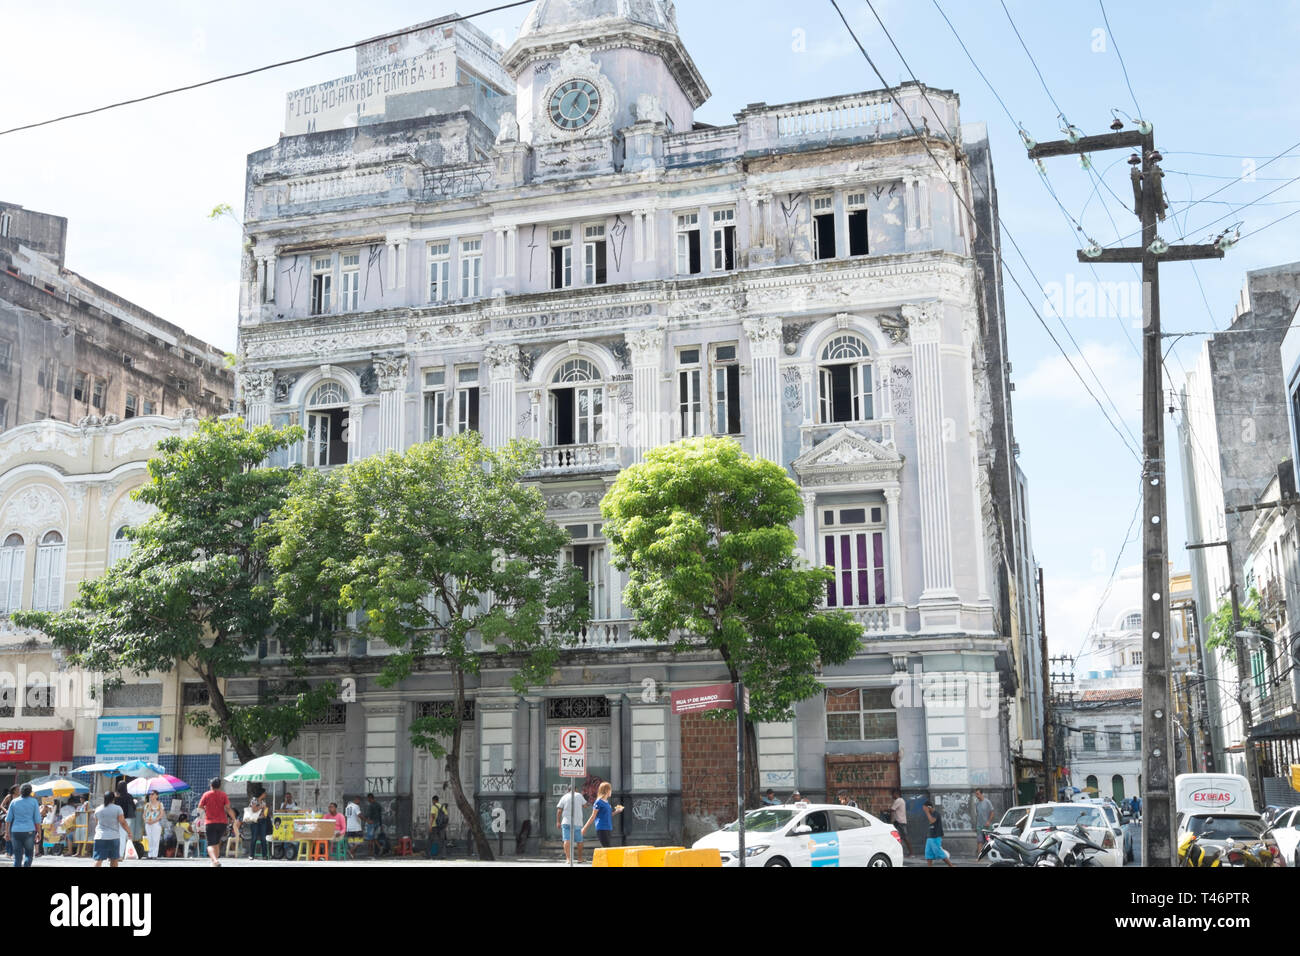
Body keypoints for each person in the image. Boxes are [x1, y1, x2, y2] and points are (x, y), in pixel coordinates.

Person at [196, 777, 238, 867]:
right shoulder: (223, 795)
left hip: (210, 823)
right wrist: (234, 819)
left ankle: (215, 861)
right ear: (220, 786)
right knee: (216, 842)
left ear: (211, 785)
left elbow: (200, 807)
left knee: (210, 844)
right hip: (222, 823)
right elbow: (228, 808)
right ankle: (215, 862)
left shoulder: (206, 794)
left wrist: (206, 809)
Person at [4, 783, 41, 867]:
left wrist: (7, 833)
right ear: (30, 792)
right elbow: (37, 819)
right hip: (29, 831)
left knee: (17, 857)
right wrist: (39, 832)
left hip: (16, 831)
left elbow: (8, 819)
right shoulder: (34, 801)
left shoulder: (14, 801)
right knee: (29, 854)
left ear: (20, 791)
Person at [581, 781, 624, 849]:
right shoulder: (598, 802)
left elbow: (608, 815)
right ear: (606, 790)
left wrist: (617, 811)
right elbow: (593, 816)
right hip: (601, 828)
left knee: (607, 848)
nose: (611, 791)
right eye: (610, 789)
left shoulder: (606, 802)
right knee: (607, 848)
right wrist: (584, 828)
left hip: (608, 827)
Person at [90, 791, 126, 869]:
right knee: (114, 860)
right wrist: (129, 832)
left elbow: (97, 822)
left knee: (99, 860)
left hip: (100, 837)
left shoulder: (98, 809)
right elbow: (122, 822)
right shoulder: (117, 808)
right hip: (113, 837)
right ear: (113, 799)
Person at [556, 788, 587, 863]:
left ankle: (568, 859)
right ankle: (579, 858)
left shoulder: (564, 797)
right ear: (576, 789)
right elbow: (585, 806)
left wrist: (558, 821)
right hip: (577, 822)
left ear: (568, 790)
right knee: (579, 840)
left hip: (566, 821)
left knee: (566, 840)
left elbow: (559, 810)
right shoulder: (579, 795)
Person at [923, 799, 953, 868]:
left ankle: (951, 866)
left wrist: (927, 812)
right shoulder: (930, 814)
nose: (924, 810)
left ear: (928, 807)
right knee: (928, 853)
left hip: (936, 836)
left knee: (938, 852)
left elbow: (932, 821)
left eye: (925, 808)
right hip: (930, 837)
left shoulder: (936, 813)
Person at [246, 789, 270, 860]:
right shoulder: (254, 800)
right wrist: (261, 807)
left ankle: (264, 855)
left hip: (263, 821)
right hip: (255, 821)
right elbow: (253, 810)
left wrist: (265, 811)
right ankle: (251, 855)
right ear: (261, 794)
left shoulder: (263, 801)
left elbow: (264, 812)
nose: (265, 794)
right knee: (254, 838)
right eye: (264, 793)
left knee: (263, 838)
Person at [890, 789, 913, 856]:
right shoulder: (901, 800)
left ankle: (911, 853)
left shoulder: (898, 800)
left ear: (896, 793)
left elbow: (892, 810)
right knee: (900, 838)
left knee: (904, 838)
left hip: (900, 822)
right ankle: (906, 853)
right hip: (900, 822)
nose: (892, 796)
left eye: (893, 794)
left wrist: (891, 820)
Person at [143, 791, 165, 860]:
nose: (151, 795)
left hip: (156, 823)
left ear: (156, 796)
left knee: (155, 839)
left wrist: (154, 821)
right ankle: (150, 854)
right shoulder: (147, 805)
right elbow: (144, 814)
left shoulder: (160, 804)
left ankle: (154, 854)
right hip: (148, 823)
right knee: (149, 838)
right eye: (150, 794)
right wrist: (145, 820)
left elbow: (161, 814)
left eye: (152, 794)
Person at [1, 785, 18, 856]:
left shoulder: (21, 797)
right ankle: (8, 851)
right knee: (8, 833)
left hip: (17, 817)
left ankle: (13, 851)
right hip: (9, 817)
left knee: (15, 834)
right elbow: (1, 805)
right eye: (18, 789)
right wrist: (6, 811)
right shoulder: (9, 796)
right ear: (14, 790)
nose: (19, 790)